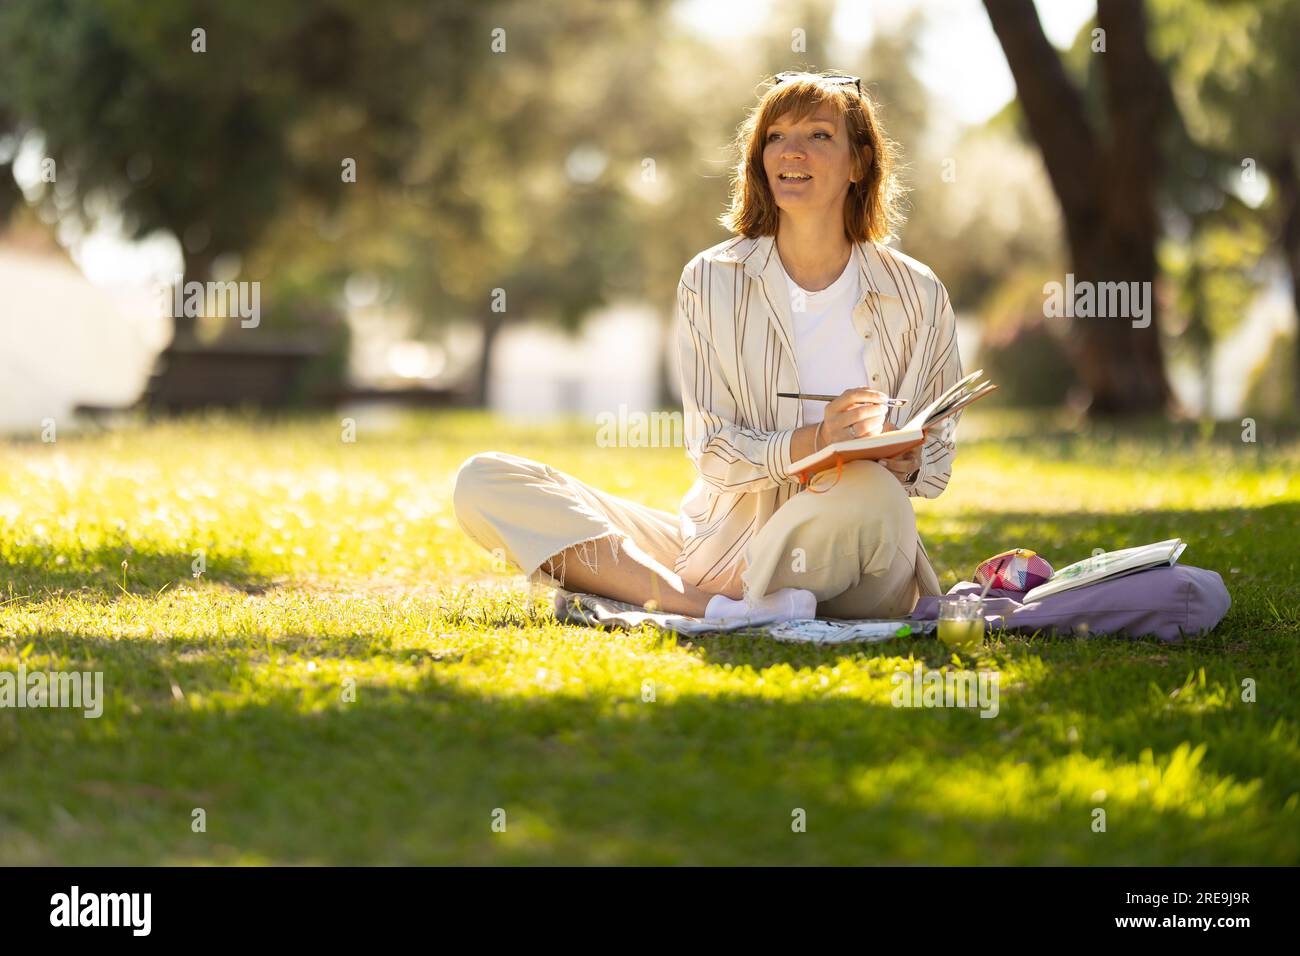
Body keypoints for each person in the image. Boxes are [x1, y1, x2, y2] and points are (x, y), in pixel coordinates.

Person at [454, 70, 962, 624]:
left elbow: (936, 466)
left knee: (873, 493)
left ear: (860, 163)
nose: (792, 151)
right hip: (720, 555)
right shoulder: (712, 278)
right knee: (484, 480)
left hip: (858, 555)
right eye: (775, 136)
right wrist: (818, 438)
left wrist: (908, 457)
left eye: (819, 135)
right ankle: (706, 606)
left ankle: (720, 605)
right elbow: (712, 451)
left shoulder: (917, 293)